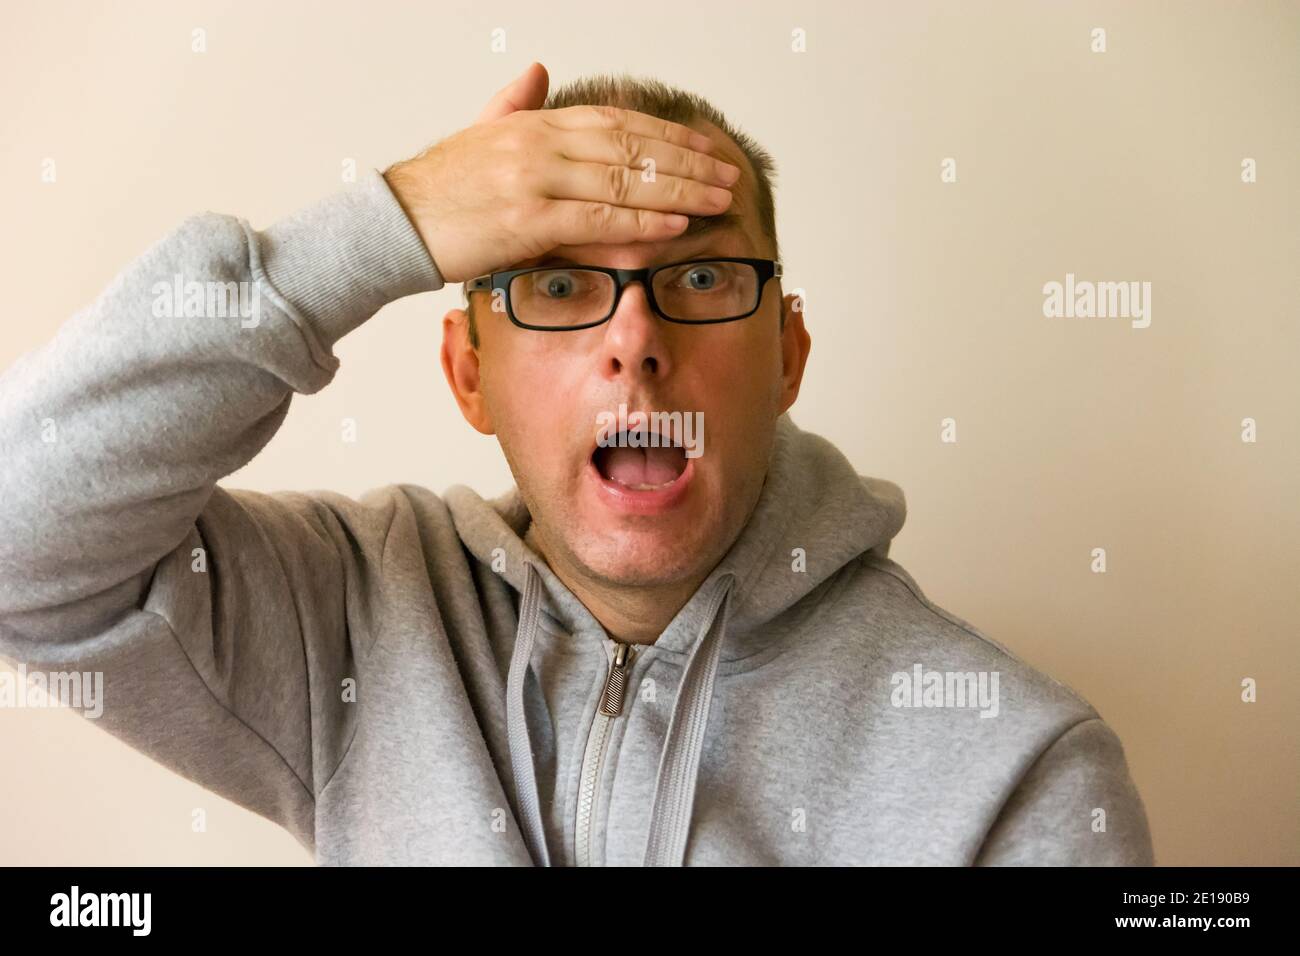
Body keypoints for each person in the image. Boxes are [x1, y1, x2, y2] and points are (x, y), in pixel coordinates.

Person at [0, 62, 1154, 866]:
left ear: (787, 353)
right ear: (469, 373)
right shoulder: (358, 620)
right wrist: (384, 226)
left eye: (701, 279)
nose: (635, 340)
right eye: (556, 283)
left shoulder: (1013, 766)